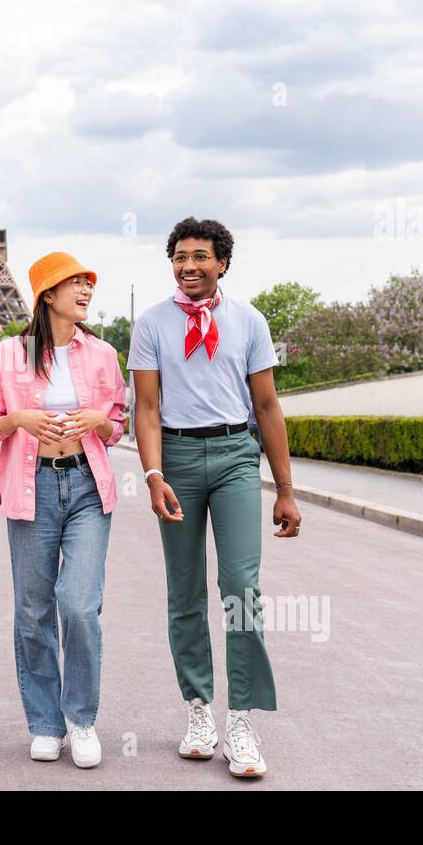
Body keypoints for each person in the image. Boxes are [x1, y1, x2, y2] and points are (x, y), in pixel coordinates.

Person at [127, 217, 302, 779]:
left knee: (242, 587)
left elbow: (268, 407)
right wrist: (153, 474)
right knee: (184, 590)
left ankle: (242, 720)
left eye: (201, 256)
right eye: (180, 256)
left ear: (222, 261)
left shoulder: (250, 321)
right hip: (175, 458)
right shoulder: (151, 323)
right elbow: (146, 408)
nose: (189, 266)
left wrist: (286, 490)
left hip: (233, 457)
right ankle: (199, 711)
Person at [0, 252, 127, 768]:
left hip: (86, 484)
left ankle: (81, 720)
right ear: (47, 295)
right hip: (31, 485)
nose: (85, 291)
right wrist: (20, 418)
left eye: (89, 283)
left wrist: (98, 423)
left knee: (80, 605)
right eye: (74, 284)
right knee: (33, 611)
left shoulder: (103, 355)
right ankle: (45, 723)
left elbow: (119, 423)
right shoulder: (8, 355)